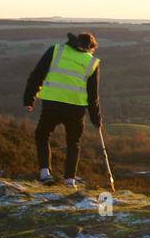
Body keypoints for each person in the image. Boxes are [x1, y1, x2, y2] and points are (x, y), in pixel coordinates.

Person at [23, 31, 103, 186]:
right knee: (73, 143)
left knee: (42, 135)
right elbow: (93, 95)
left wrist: (29, 98)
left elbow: (37, 74)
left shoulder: (56, 50)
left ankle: (45, 173)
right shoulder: (92, 62)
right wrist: (96, 119)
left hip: (52, 103)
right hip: (76, 107)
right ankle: (70, 180)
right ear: (91, 47)